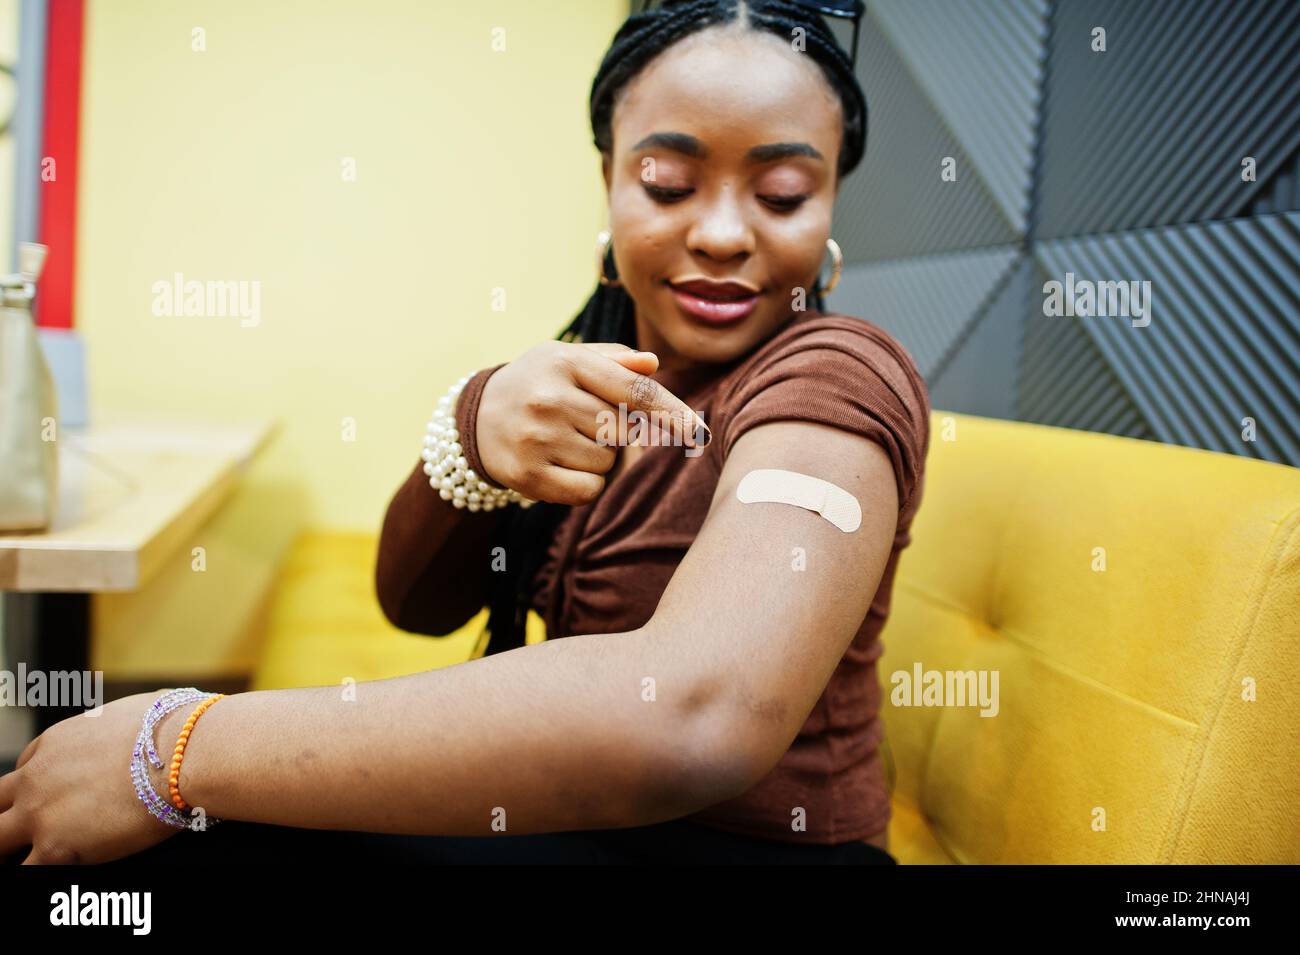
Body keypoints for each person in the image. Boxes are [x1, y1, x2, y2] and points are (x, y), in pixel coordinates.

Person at [0, 0, 927, 866]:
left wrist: (174, 746)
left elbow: (695, 717)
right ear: (607, 182)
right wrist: (473, 430)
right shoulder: (592, 373)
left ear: (831, 208)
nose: (724, 232)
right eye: (670, 182)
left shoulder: (833, 375)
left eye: (782, 194)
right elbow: (415, 603)